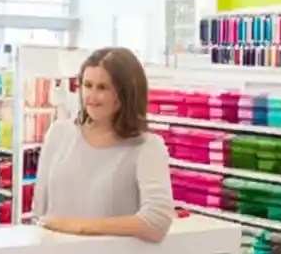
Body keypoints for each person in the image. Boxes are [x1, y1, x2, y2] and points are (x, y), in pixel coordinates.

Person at [33, 46, 175, 243]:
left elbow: (157, 221)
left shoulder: (147, 147)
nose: (91, 96)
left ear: (125, 93)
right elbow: (39, 210)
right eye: (87, 85)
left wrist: (81, 227)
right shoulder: (59, 134)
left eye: (102, 88)